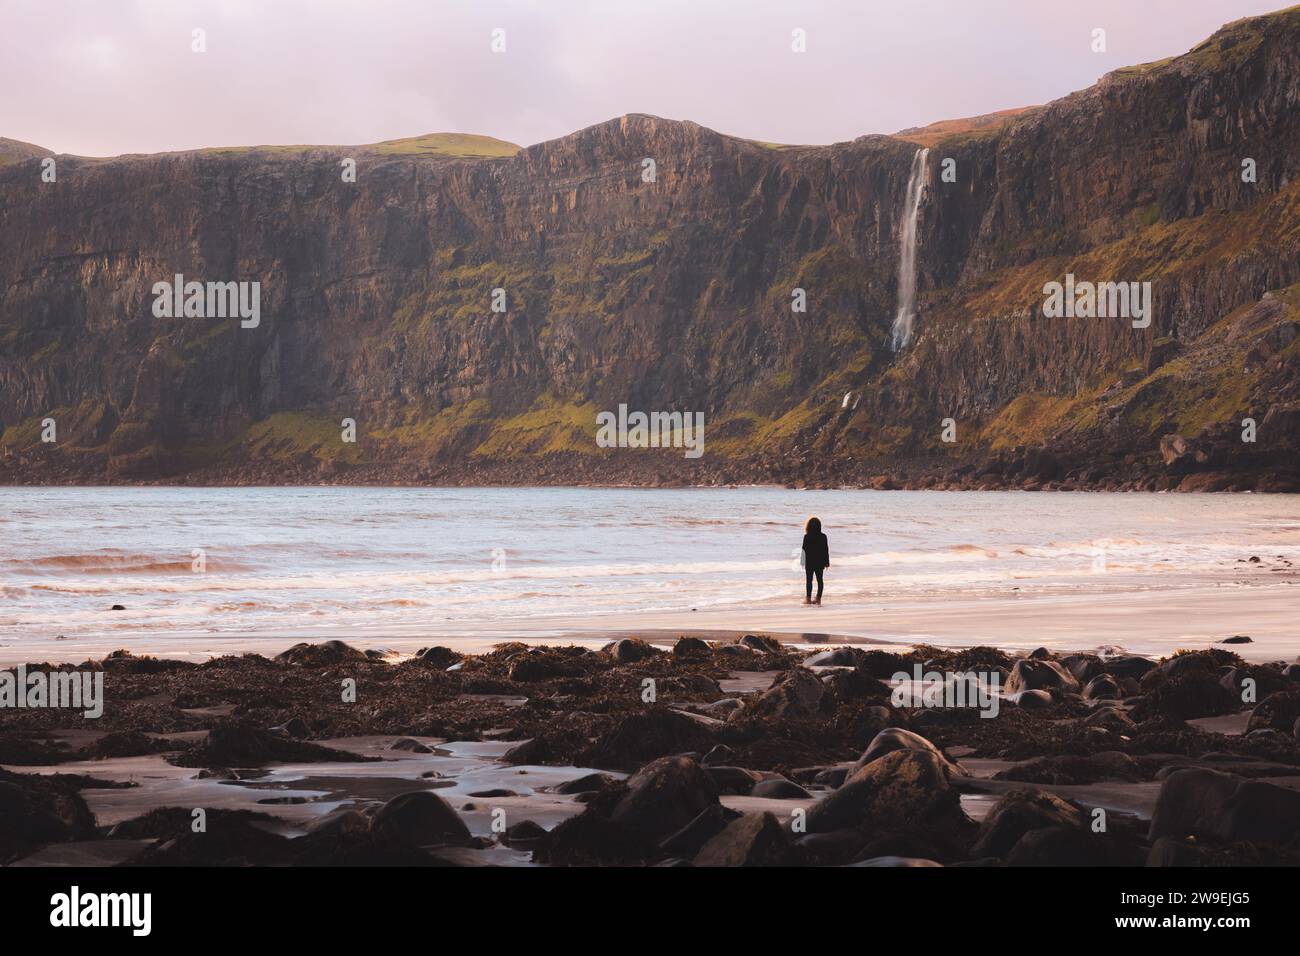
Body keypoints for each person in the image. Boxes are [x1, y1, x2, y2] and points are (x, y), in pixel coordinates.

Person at [801, 516, 829, 605]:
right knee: (820, 580)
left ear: (808, 526)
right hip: (820, 562)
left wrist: (802, 561)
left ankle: (808, 599)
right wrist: (827, 561)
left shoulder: (807, 536)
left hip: (809, 562)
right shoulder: (823, 536)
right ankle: (818, 599)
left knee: (809, 581)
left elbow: (803, 550)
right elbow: (826, 550)